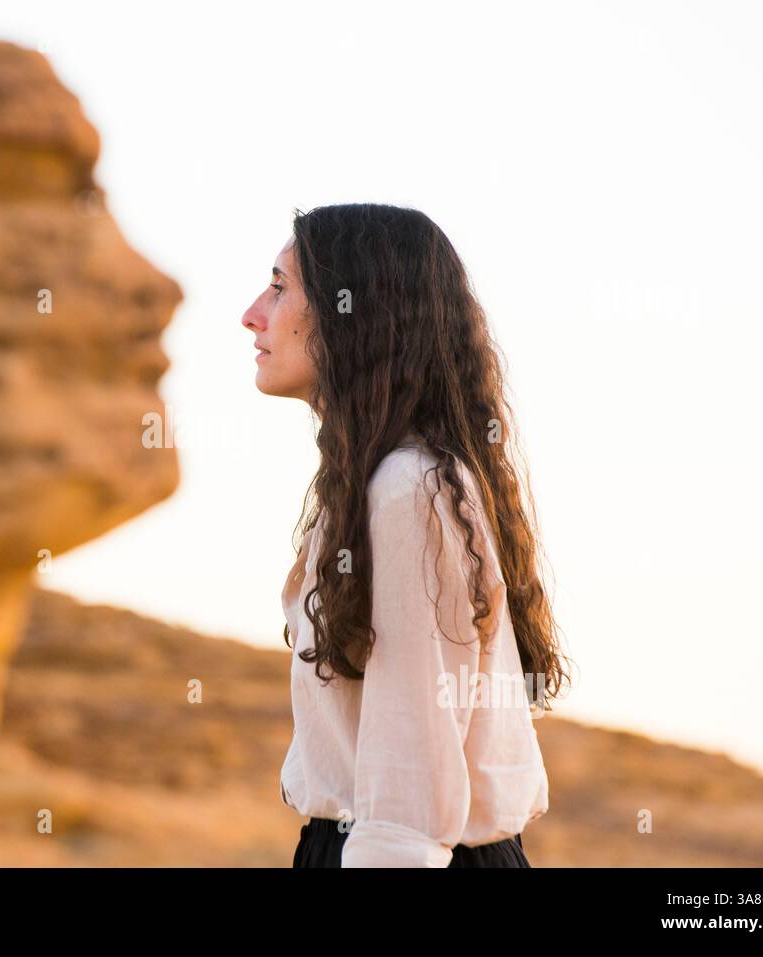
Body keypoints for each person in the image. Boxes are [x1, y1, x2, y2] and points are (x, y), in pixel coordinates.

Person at [242, 203, 571, 867]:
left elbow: (407, 794)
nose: (253, 313)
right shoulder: (381, 485)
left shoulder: (406, 492)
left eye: (279, 287)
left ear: (351, 311)